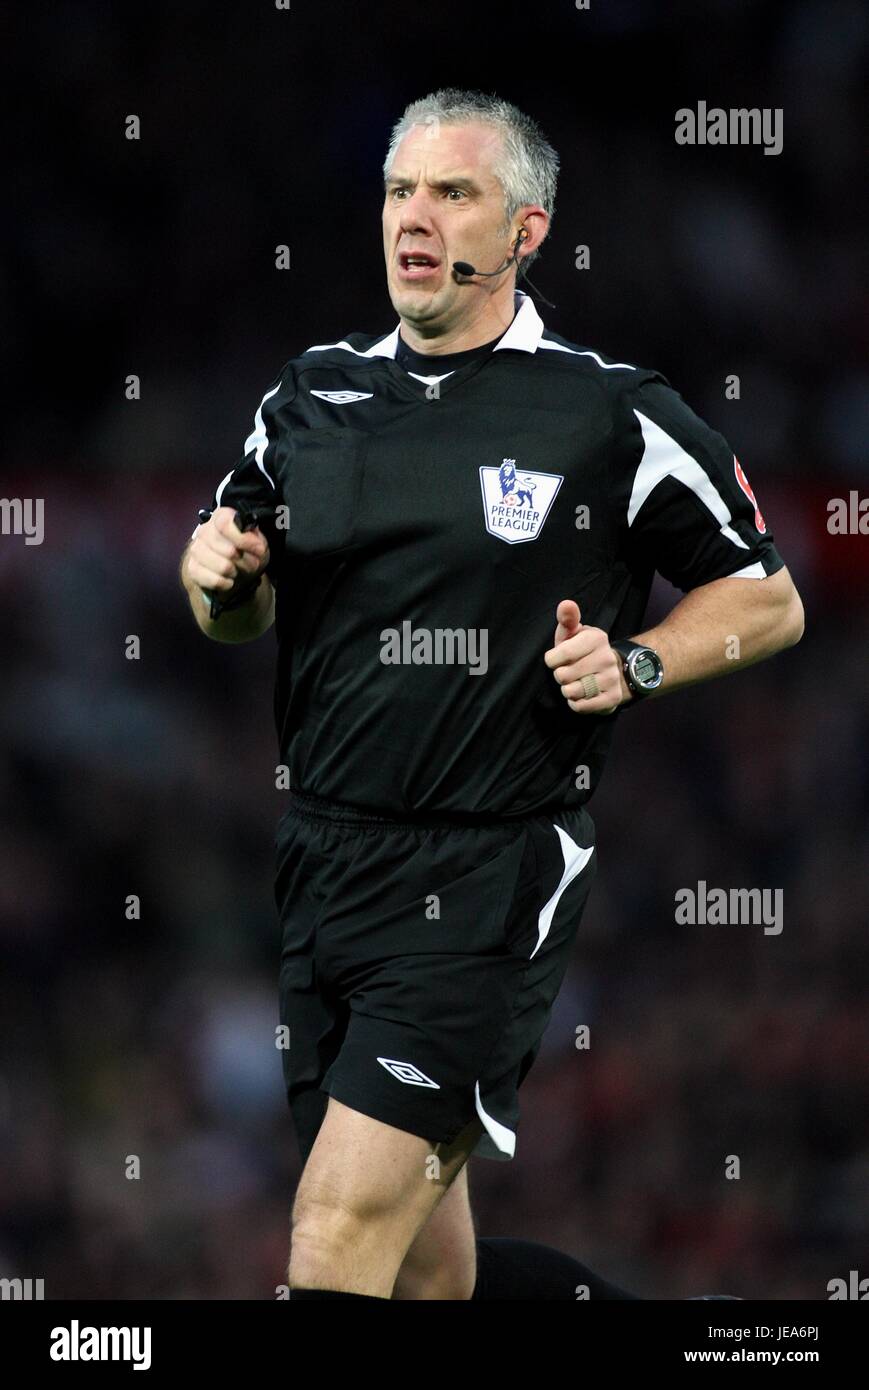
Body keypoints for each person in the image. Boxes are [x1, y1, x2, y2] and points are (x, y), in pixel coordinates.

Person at [179, 89, 804, 1301]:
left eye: (451, 193)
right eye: (397, 190)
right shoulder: (304, 399)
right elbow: (235, 604)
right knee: (425, 1280)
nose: (413, 217)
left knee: (331, 1236)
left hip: (481, 876)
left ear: (524, 231)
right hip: (319, 863)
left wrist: (637, 661)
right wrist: (218, 581)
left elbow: (765, 595)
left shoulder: (606, 412)